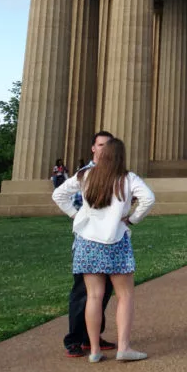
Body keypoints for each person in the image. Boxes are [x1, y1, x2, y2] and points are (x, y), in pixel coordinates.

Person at [53, 137, 155, 363]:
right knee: (125, 296)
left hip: (87, 241)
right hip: (116, 240)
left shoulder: (85, 175)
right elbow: (148, 199)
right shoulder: (128, 178)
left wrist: (75, 214)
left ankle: (95, 350)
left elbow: (58, 194)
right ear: (120, 157)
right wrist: (133, 219)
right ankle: (124, 348)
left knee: (94, 296)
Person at [61, 132, 115, 357]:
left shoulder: (115, 174)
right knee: (84, 292)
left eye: (108, 146)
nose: (103, 149)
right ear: (93, 148)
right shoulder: (84, 174)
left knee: (103, 293)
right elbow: (61, 195)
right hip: (88, 242)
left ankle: (90, 337)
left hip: (110, 241)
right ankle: (74, 339)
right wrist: (76, 216)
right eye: (100, 145)